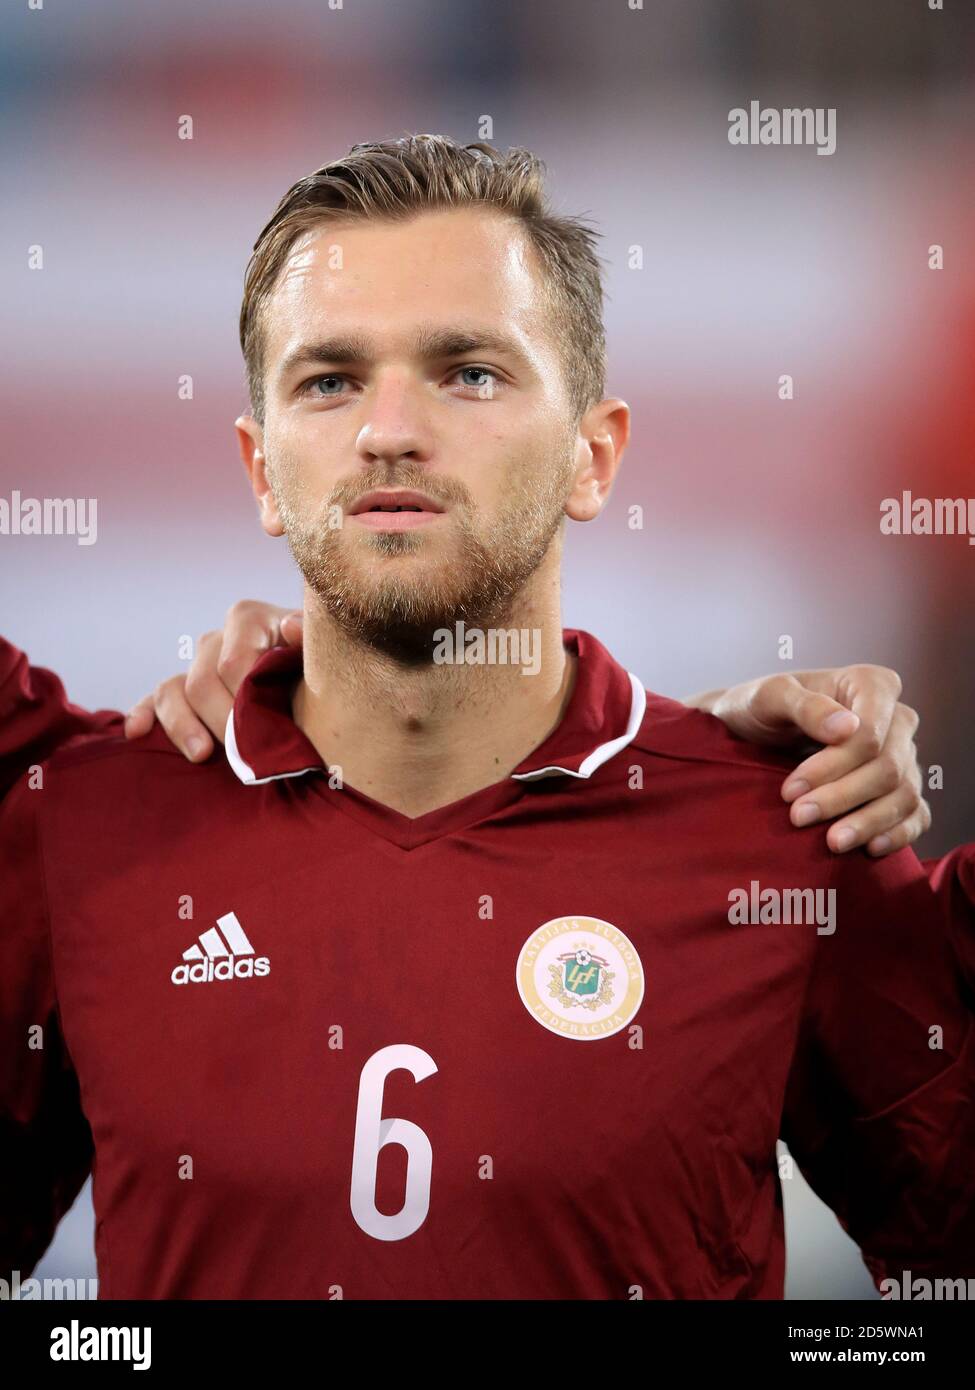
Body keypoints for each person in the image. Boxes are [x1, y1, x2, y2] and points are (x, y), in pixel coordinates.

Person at [1, 135, 971, 1300]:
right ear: (263, 471)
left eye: (468, 371)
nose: (389, 429)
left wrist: (698, 765)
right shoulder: (80, 827)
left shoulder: (789, 836)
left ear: (593, 455)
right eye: (330, 379)